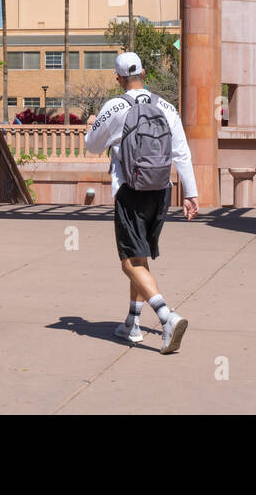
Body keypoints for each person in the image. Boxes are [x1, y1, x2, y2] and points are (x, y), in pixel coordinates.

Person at [84, 52, 198, 355]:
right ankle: (132, 324)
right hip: (162, 190)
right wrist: (191, 194)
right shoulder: (165, 106)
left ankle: (167, 317)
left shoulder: (115, 106)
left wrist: (96, 126)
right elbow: (181, 151)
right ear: (144, 73)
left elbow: (92, 146)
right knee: (140, 256)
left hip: (130, 190)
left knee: (128, 261)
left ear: (118, 78)